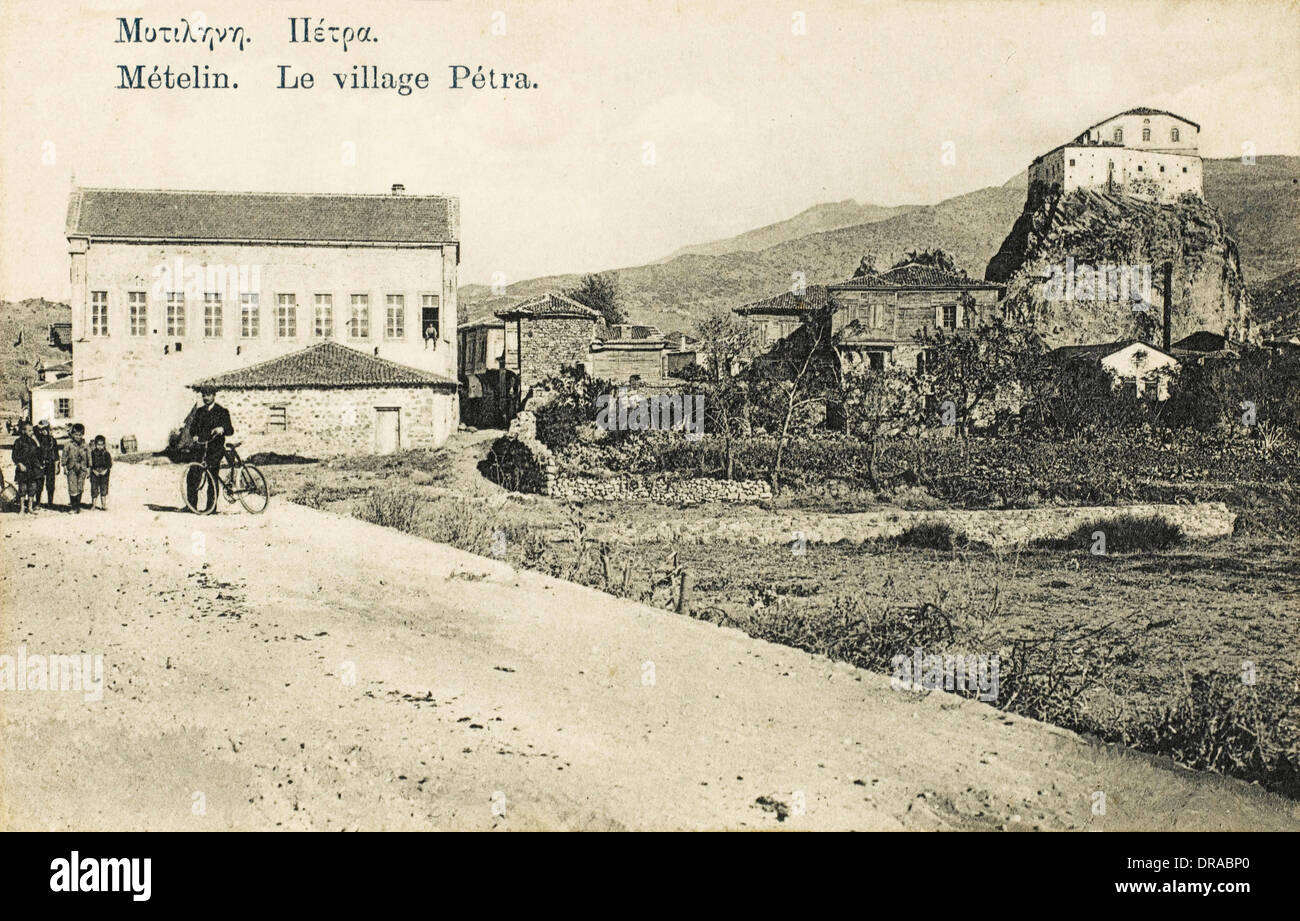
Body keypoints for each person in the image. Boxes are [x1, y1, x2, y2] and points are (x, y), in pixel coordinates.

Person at [187, 386, 234, 511]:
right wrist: (195, 435)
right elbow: (192, 429)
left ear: (214, 395)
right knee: (192, 475)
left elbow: (230, 430)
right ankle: (191, 506)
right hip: (201, 447)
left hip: (215, 449)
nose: (206, 398)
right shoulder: (199, 411)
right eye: (204, 395)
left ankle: (211, 508)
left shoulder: (222, 411)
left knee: (212, 476)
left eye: (208, 395)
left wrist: (222, 429)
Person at [10, 420, 43, 514]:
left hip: (32, 468)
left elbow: (39, 453)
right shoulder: (18, 442)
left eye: (32, 430)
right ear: (23, 431)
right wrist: (19, 464)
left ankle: (30, 508)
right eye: (29, 431)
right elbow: (14, 456)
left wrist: (37, 443)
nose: (32, 432)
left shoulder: (33, 441)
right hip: (22, 468)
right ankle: (21, 508)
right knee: (22, 488)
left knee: (32, 488)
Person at [61, 423, 92, 513]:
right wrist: (64, 467)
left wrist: (89, 469)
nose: (78, 437)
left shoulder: (85, 445)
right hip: (71, 468)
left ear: (83, 435)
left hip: (82, 469)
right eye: (76, 435)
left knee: (80, 487)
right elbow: (64, 456)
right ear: (72, 434)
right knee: (72, 487)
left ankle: (77, 506)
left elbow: (89, 457)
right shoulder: (68, 445)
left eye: (80, 435)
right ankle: (73, 506)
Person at [34, 419, 60, 508]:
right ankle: (37, 502)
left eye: (45, 429)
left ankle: (50, 502)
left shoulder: (53, 441)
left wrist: (57, 466)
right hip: (40, 464)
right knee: (39, 484)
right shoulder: (37, 440)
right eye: (41, 429)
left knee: (50, 484)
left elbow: (56, 454)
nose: (43, 431)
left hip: (51, 464)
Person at [89, 435, 113, 511]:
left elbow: (109, 464)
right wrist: (94, 471)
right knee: (94, 489)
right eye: (98, 445)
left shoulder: (106, 454)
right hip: (94, 473)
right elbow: (90, 464)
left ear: (104, 445)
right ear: (95, 444)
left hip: (104, 474)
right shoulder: (92, 453)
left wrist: (105, 471)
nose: (100, 446)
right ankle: (93, 505)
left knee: (104, 489)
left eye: (101, 445)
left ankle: (103, 506)